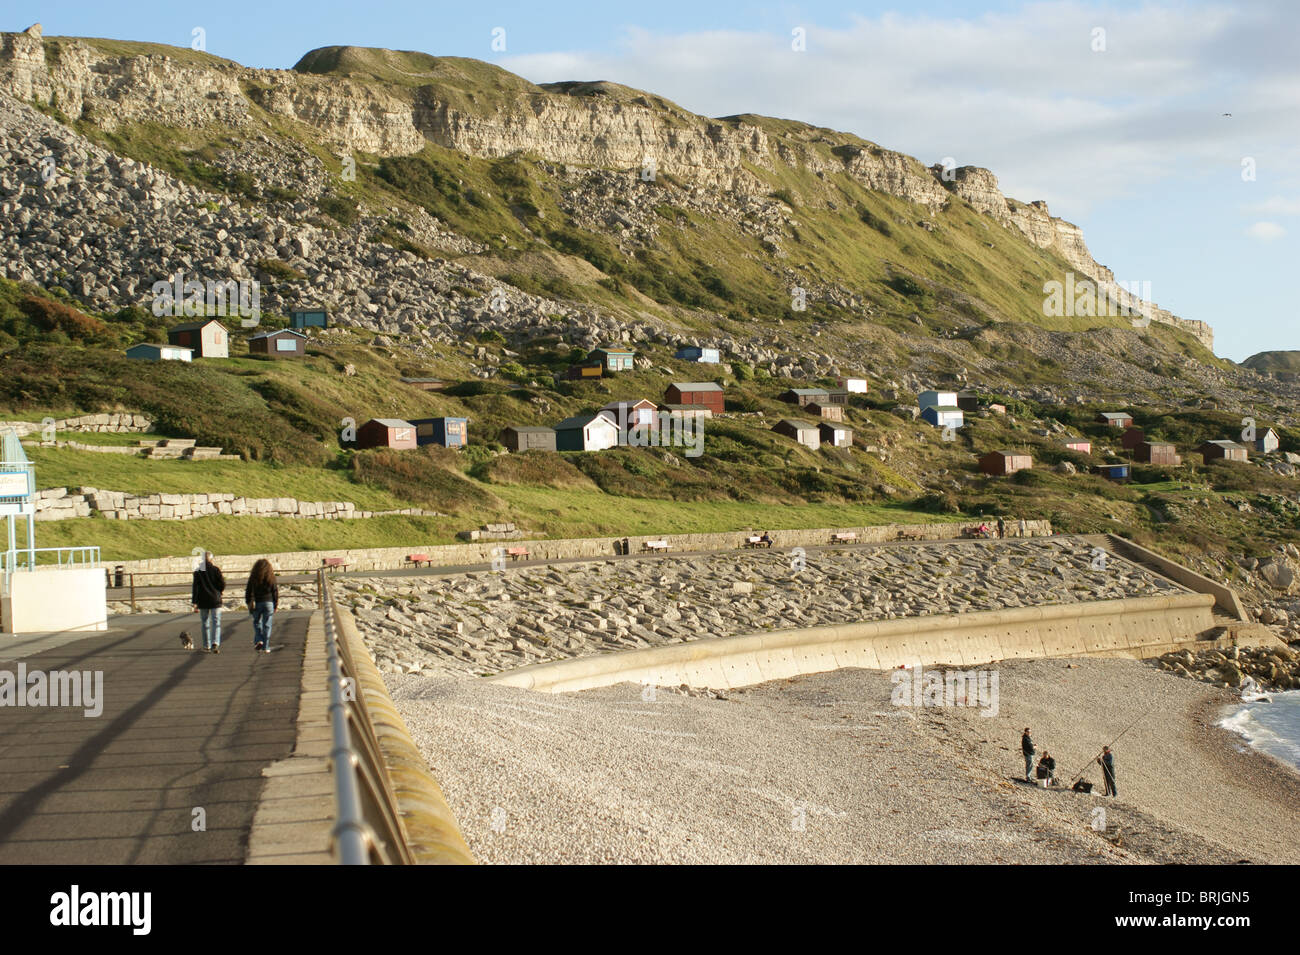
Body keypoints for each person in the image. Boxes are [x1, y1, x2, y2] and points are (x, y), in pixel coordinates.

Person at [191, 552, 226, 654]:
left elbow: (195, 588)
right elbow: (222, 583)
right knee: (216, 622)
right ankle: (215, 642)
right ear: (211, 559)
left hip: (203, 600)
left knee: (205, 622)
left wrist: (195, 602)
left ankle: (206, 645)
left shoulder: (198, 572)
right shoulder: (216, 570)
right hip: (215, 599)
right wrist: (219, 591)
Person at [245, 558, 280, 653]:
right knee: (267, 625)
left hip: (257, 603)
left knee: (256, 622)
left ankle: (259, 639)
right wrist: (275, 604)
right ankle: (266, 647)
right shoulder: (271, 577)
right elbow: (275, 591)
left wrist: (248, 601)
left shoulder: (253, 577)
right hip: (269, 603)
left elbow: (248, 590)